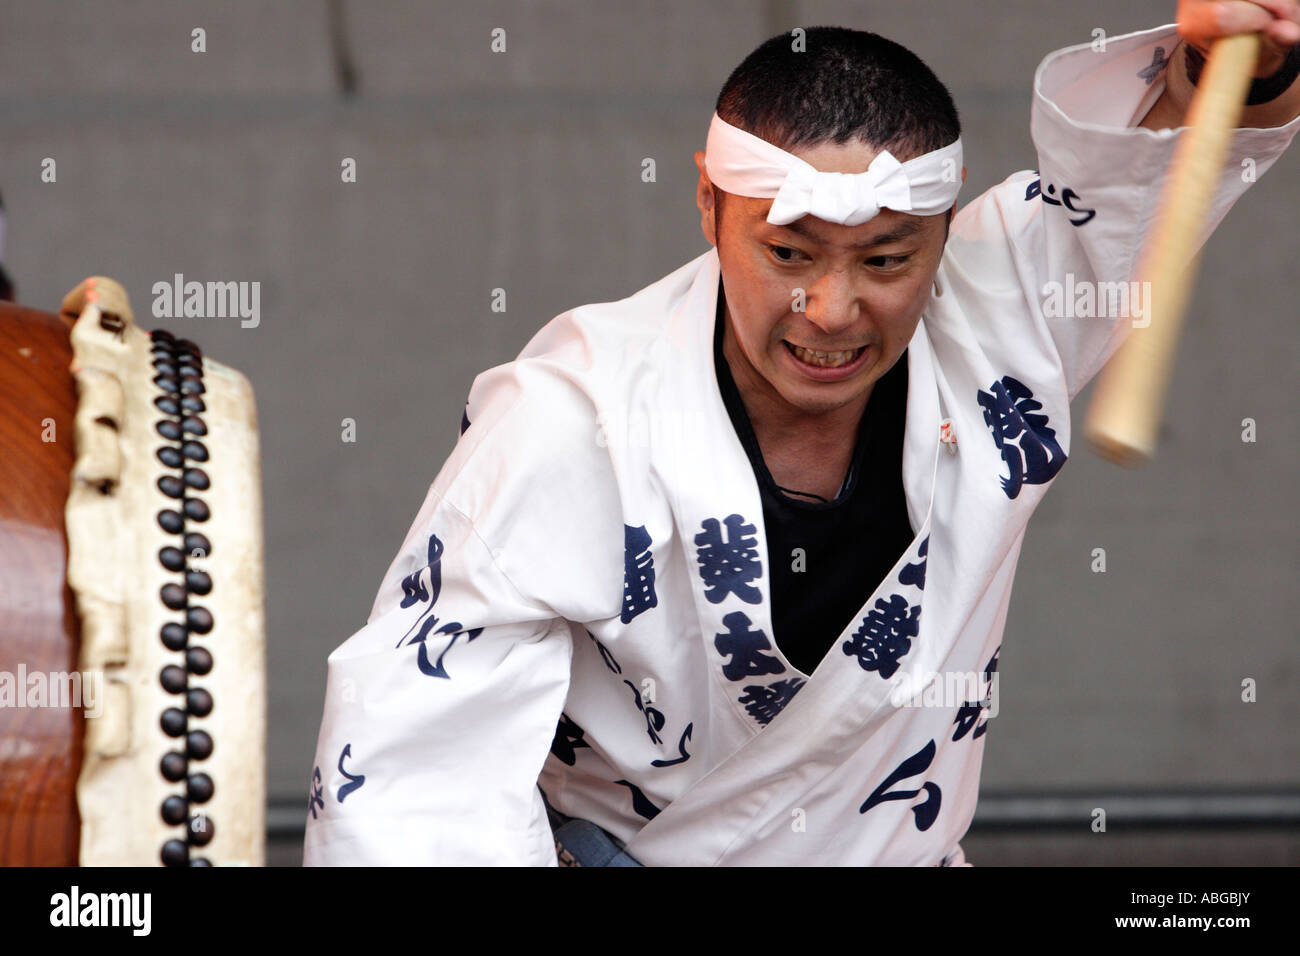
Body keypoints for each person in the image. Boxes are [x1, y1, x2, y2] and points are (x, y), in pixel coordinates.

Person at [304, 3, 1300, 865]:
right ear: (708, 202)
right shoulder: (572, 423)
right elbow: (414, 778)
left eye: (884, 258)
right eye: (787, 252)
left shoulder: (999, 318)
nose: (830, 310)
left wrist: (1229, 58)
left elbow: (1134, 186)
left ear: (945, 232)